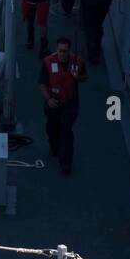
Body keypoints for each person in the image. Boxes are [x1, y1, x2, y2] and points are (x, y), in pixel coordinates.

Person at [39, 37, 87, 175]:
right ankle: (53, 145)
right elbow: (42, 83)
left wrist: (77, 77)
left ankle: (66, 162)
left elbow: (85, 77)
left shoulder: (77, 62)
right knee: (51, 128)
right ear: (56, 50)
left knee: (66, 131)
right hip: (53, 102)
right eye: (60, 51)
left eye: (65, 51)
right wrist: (48, 99)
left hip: (70, 102)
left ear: (69, 51)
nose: (62, 54)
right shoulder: (48, 62)